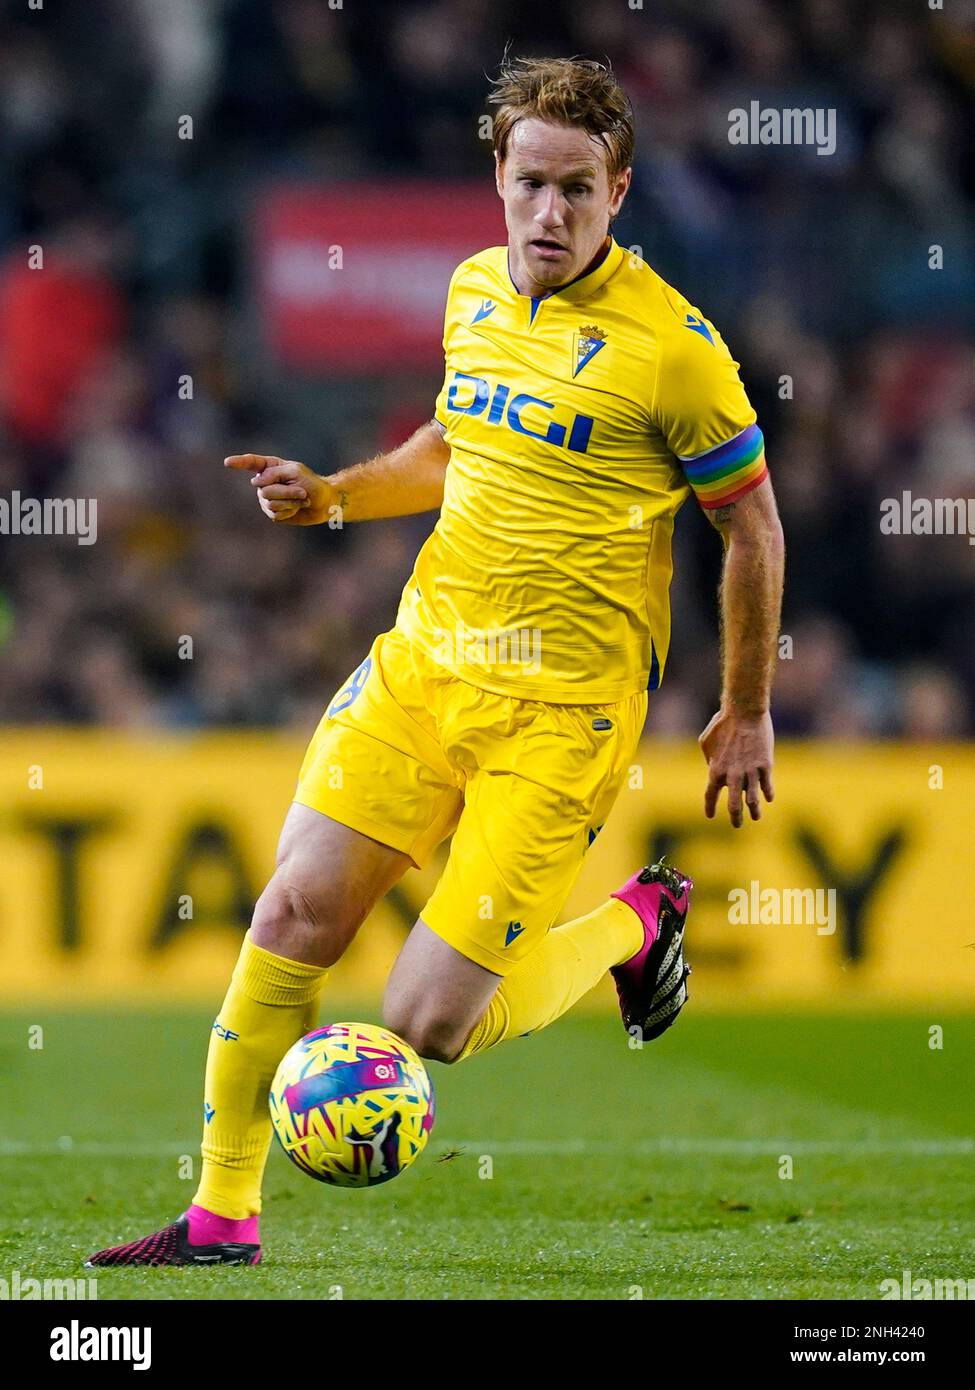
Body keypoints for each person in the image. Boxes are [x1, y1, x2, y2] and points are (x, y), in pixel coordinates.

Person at [87, 55, 783, 1268]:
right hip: (424, 666)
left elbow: (754, 526)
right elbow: (456, 446)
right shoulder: (471, 292)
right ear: (498, 180)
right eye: (531, 185)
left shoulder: (676, 350)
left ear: (619, 189)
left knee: (429, 1024)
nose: (552, 214)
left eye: (579, 189)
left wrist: (745, 707)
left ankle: (637, 920)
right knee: (293, 912)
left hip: (563, 713)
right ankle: (221, 1216)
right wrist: (339, 498)